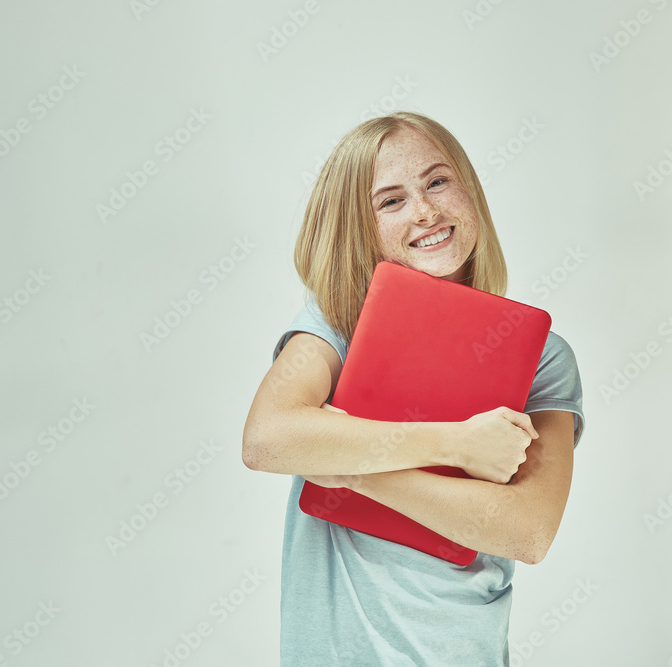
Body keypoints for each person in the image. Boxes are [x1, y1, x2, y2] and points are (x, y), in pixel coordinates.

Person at [243, 111, 585, 666]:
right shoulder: (335, 324)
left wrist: (348, 467)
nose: (425, 210)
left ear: (469, 189)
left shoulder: (543, 358)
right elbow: (266, 439)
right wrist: (456, 444)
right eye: (390, 200)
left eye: (437, 181)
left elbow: (528, 531)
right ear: (361, 225)